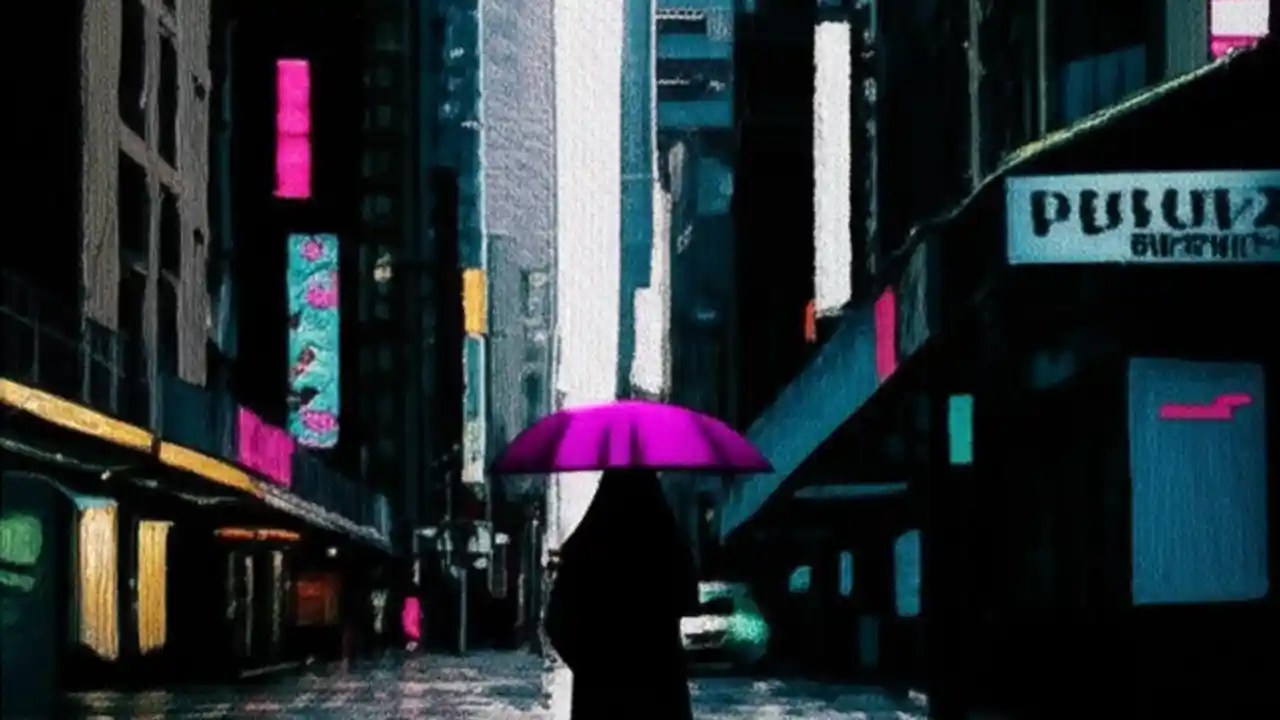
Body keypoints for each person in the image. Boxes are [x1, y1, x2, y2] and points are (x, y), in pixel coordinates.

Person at [544, 469, 698, 720]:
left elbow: (556, 623)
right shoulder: (667, 542)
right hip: (660, 688)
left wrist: (592, 666)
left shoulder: (586, 548)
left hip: (601, 694)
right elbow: (688, 600)